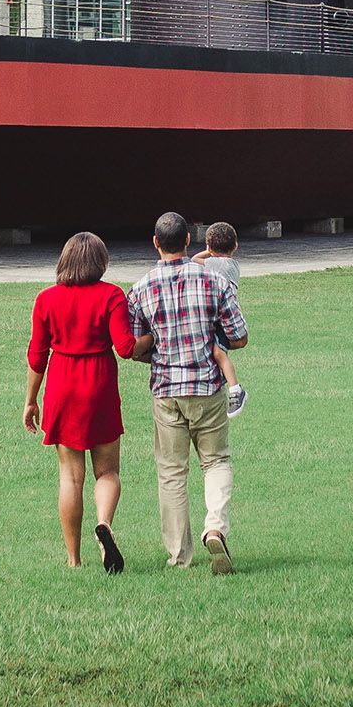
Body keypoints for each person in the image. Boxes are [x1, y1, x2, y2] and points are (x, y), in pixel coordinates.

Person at [126, 211, 249, 573]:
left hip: (166, 389)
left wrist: (160, 354)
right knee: (215, 461)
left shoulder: (141, 288)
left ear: (155, 243)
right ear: (188, 242)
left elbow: (133, 346)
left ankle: (180, 556)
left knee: (171, 473)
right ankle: (216, 526)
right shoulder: (214, 281)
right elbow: (239, 336)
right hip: (208, 386)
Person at [25, 232, 148, 572]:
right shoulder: (111, 295)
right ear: (101, 262)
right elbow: (125, 348)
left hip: (62, 385)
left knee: (70, 477)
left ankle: (74, 560)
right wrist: (152, 336)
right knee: (107, 471)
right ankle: (104, 525)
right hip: (100, 386)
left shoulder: (46, 299)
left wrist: (31, 401)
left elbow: (37, 356)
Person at [194, 221, 248, 417]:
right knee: (216, 351)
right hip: (227, 315)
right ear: (235, 246)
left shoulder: (216, 263)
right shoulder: (232, 264)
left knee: (218, 353)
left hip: (222, 319)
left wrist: (208, 251)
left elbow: (193, 259)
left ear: (209, 247)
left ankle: (236, 391)